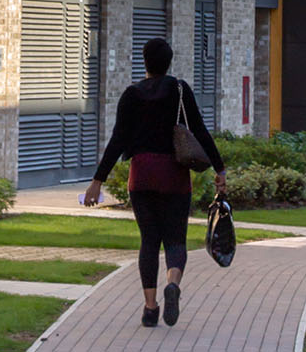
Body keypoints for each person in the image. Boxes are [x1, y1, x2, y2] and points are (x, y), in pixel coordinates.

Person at [83, 36, 227, 327]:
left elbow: (117, 140)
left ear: (144, 61)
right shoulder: (179, 89)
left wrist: (97, 181)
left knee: (149, 241)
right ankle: (172, 283)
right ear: (169, 62)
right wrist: (219, 168)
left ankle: (150, 308)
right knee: (175, 239)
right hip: (174, 174)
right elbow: (199, 129)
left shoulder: (131, 94)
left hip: (142, 174)